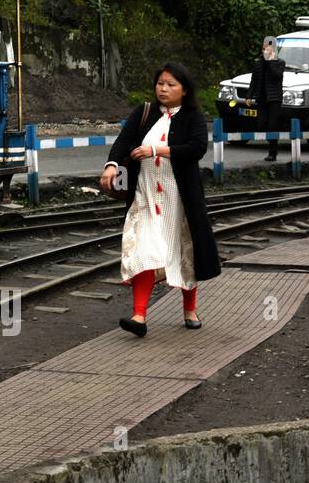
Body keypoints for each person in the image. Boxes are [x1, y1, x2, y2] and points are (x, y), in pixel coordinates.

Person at [99, 62, 221, 337]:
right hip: (145, 194)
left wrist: (157, 149)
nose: (163, 89)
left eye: (171, 85)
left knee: (183, 250)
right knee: (142, 249)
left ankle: (190, 308)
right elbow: (122, 141)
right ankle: (139, 316)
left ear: (184, 90)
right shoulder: (144, 112)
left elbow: (197, 148)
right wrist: (110, 164)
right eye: (160, 83)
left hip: (179, 197)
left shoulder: (193, 117)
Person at [248, 36, 285, 162]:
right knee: (261, 123)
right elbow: (253, 81)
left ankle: (272, 153)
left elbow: (277, 75)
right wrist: (249, 96)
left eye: (268, 49)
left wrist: (270, 60)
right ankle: (270, 139)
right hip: (262, 99)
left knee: (272, 126)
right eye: (264, 49)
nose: (265, 51)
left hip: (274, 99)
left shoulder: (280, 63)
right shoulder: (258, 63)